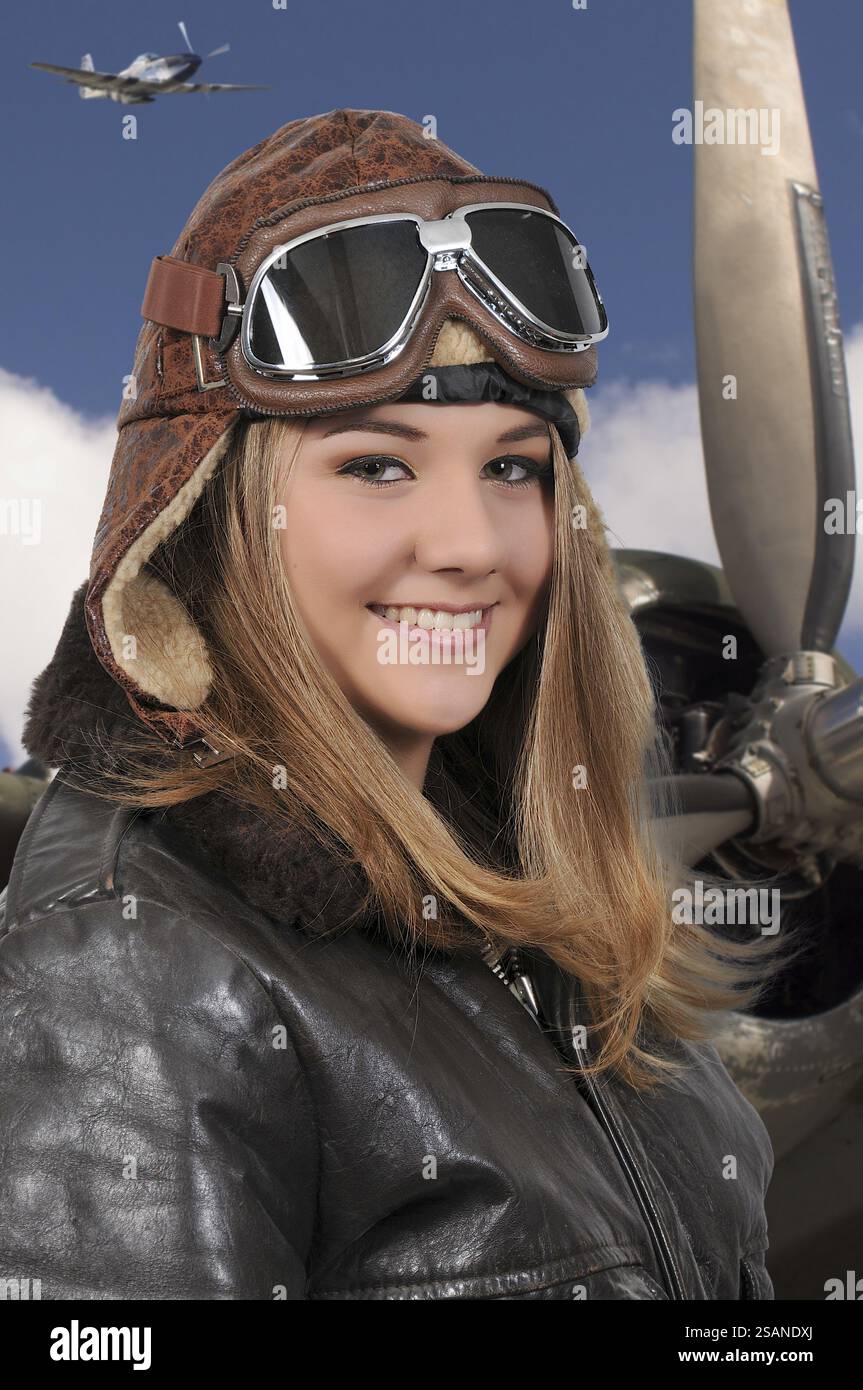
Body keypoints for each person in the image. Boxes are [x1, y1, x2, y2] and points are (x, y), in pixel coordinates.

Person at [0, 109, 795, 1301]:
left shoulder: (572, 940)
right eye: (376, 465)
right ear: (212, 508)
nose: (468, 545)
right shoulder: (127, 961)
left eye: (511, 467)